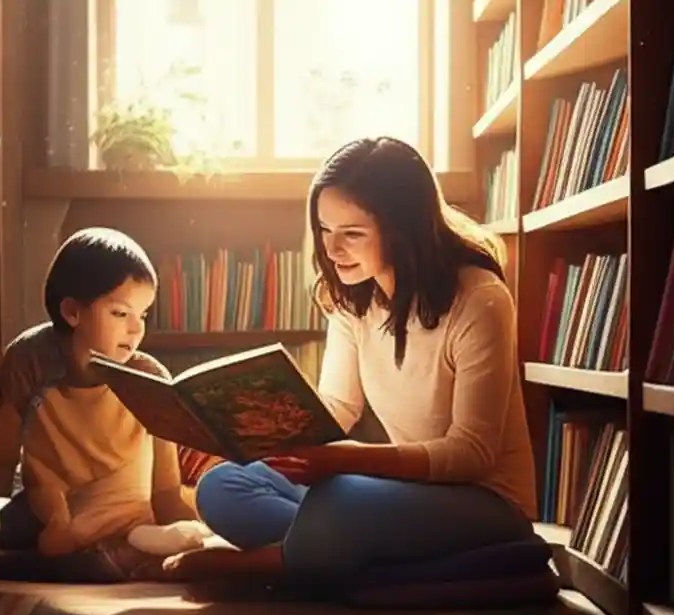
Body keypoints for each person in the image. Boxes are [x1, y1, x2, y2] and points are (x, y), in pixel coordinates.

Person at [164, 137, 540, 590]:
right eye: (324, 230)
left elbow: (472, 454)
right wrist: (258, 432)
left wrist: (353, 462)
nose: (333, 248)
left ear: (403, 229)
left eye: (352, 233)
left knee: (340, 499)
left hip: (485, 501)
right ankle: (348, 563)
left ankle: (275, 567)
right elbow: (337, 407)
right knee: (222, 487)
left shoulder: (480, 300)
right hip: (403, 498)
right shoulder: (352, 298)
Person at [0, 227, 218, 582]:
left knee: (139, 543)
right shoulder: (30, 360)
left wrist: (191, 534)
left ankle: (83, 561)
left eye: (144, 315)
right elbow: (2, 452)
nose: (136, 330)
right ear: (73, 311)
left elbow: (165, 487)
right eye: (121, 314)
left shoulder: (147, 375)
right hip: (46, 508)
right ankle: (19, 557)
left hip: (121, 512)